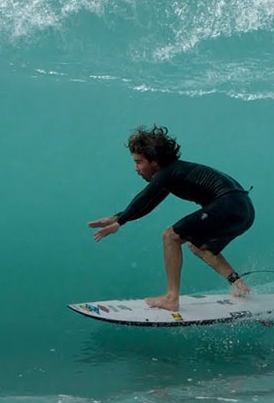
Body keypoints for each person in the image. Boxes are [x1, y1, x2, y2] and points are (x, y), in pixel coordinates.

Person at [87, 125, 254, 311]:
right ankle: (239, 285)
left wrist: (120, 222)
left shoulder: (167, 173)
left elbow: (143, 197)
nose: (136, 169)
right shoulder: (174, 173)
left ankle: (171, 297)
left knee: (170, 236)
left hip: (228, 206)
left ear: (154, 161)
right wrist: (117, 217)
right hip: (244, 210)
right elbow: (148, 203)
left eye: (139, 162)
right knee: (198, 246)